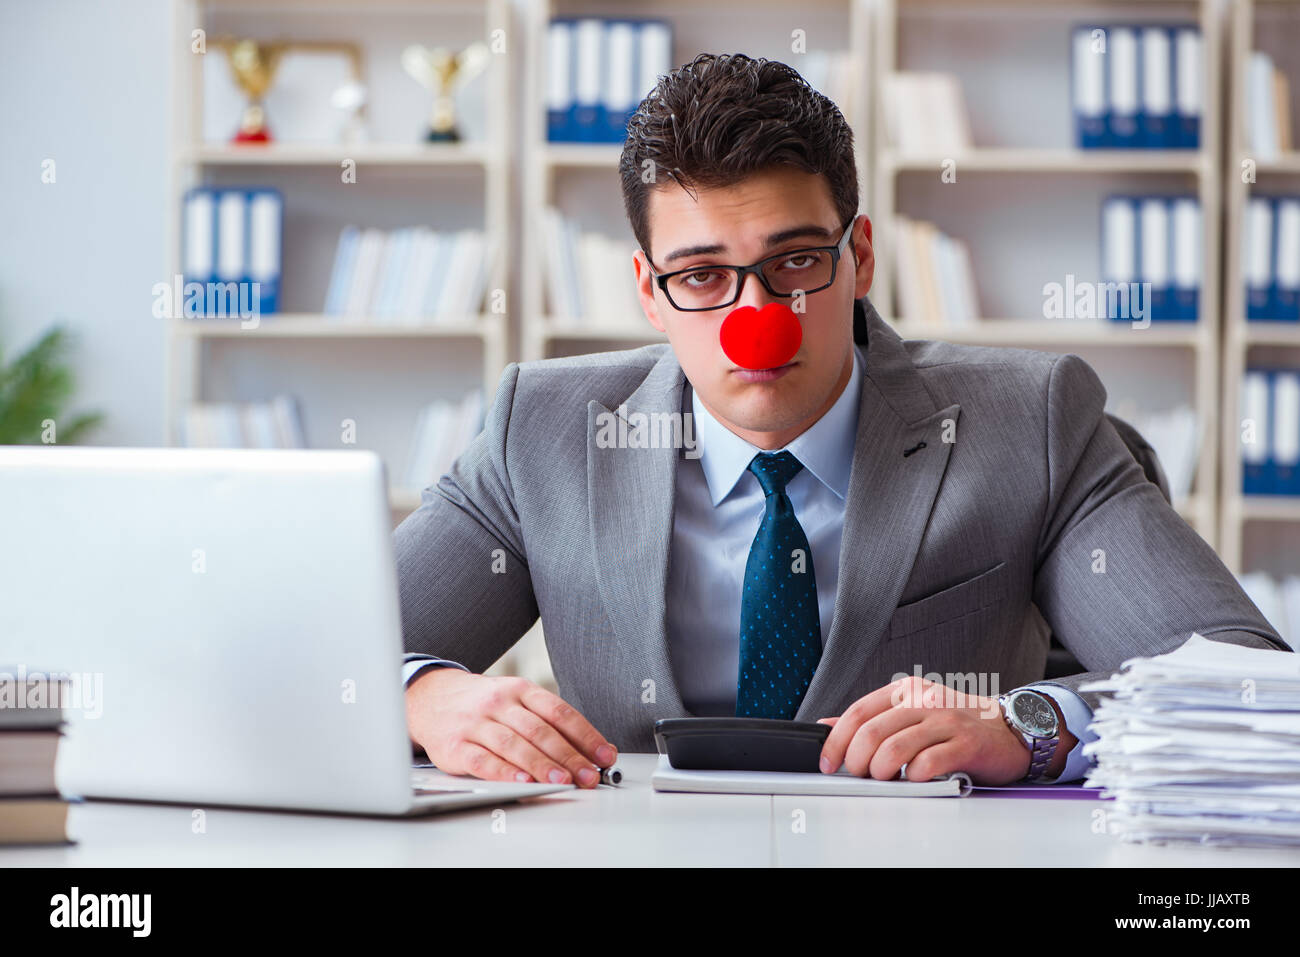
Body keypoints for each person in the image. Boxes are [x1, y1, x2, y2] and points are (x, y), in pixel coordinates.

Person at [397, 53, 1288, 790]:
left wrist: (1032, 723)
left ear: (858, 256)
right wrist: (421, 695)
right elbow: (307, 654)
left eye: (794, 261)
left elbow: (1244, 678)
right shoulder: (543, 430)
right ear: (648, 292)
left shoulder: (1034, 421)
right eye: (702, 275)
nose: (759, 319)